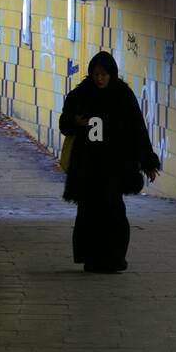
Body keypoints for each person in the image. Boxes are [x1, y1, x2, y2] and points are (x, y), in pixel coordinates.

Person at [58, 51, 161, 273]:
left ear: (111, 74)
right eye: (96, 74)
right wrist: (75, 122)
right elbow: (64, 124)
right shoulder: (80, 96)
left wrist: (148, 161)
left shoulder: (123, 96)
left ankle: (113, 258)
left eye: (104, 74)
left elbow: (137, 130)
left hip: (114, 166)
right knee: (89, 213)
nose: (99, 79)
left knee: (113, 211)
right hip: (88, 166)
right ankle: (92, 258)